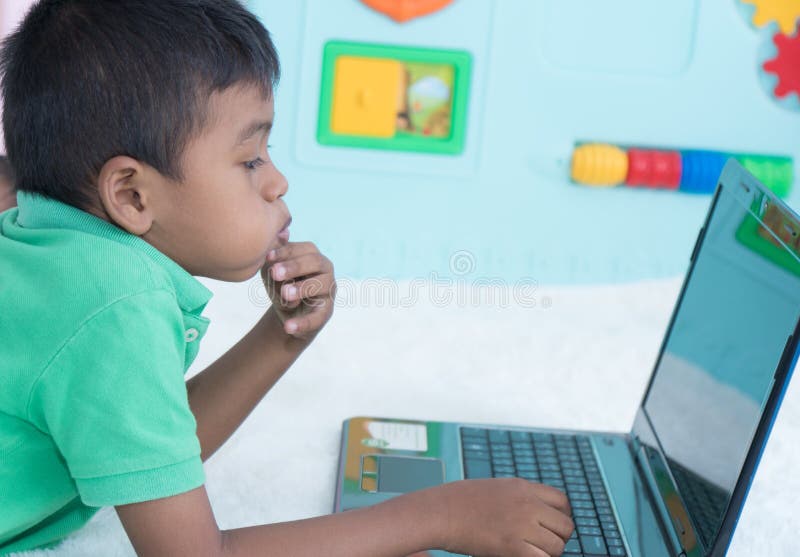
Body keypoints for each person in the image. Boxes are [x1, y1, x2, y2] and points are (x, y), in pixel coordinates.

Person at [0, 1, 574, 556]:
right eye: (249, 159)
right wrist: (439, 517)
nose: (277, 182)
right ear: (131, 195)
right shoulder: (117, 306)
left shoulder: (45, 247)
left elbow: (145, 440)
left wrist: (283, 333)